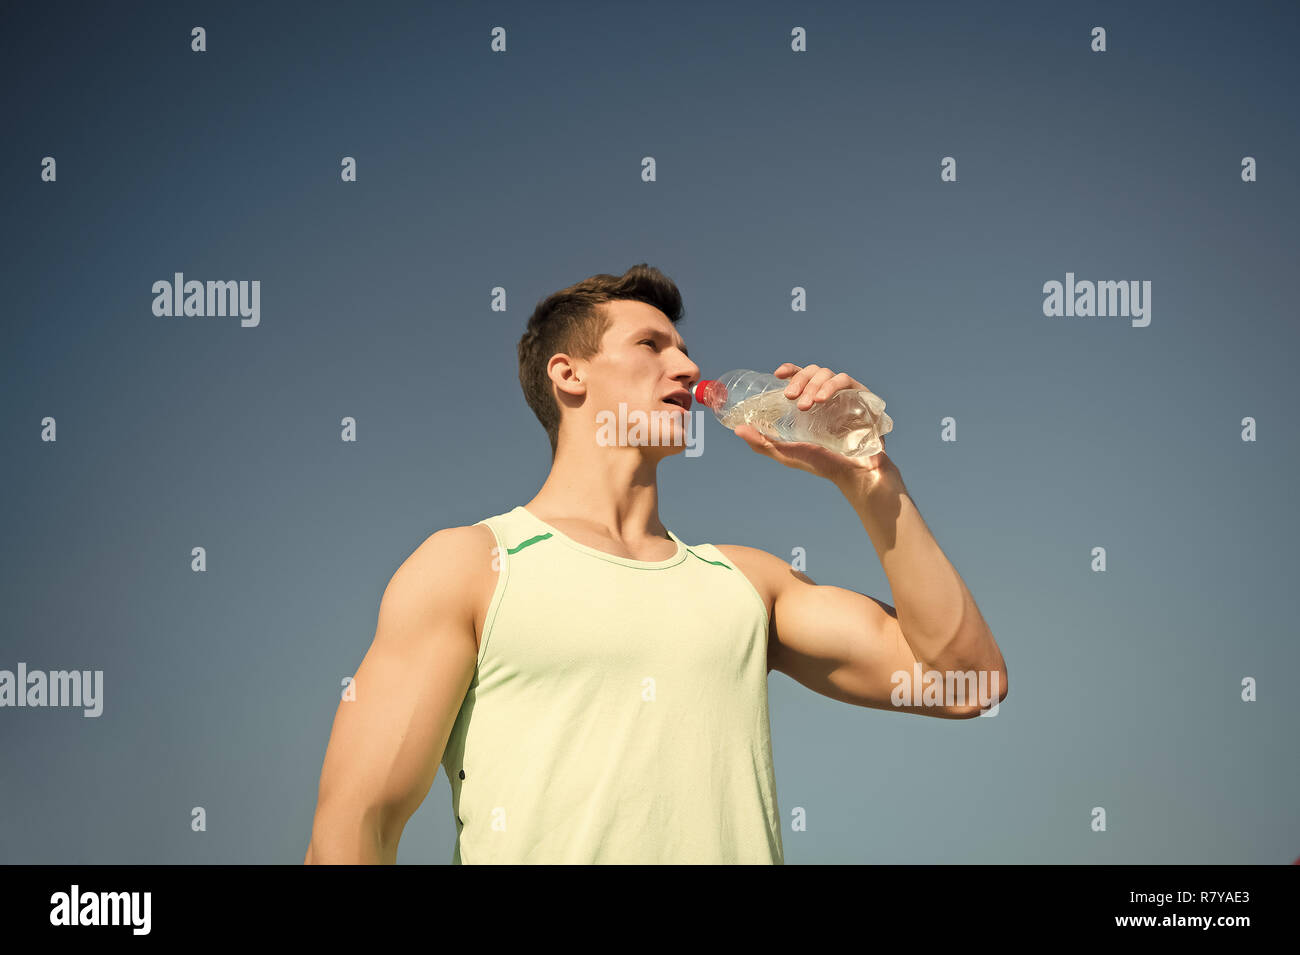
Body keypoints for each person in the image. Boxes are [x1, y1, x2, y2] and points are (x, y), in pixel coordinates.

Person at [304, 263, 1008, 864]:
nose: (688, 366)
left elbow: (966, 683)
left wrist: (870, 478)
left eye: (685, 348)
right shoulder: (472, 566)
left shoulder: (746, 583)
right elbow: (354, 827)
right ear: (568, 374)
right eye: (652, 344)